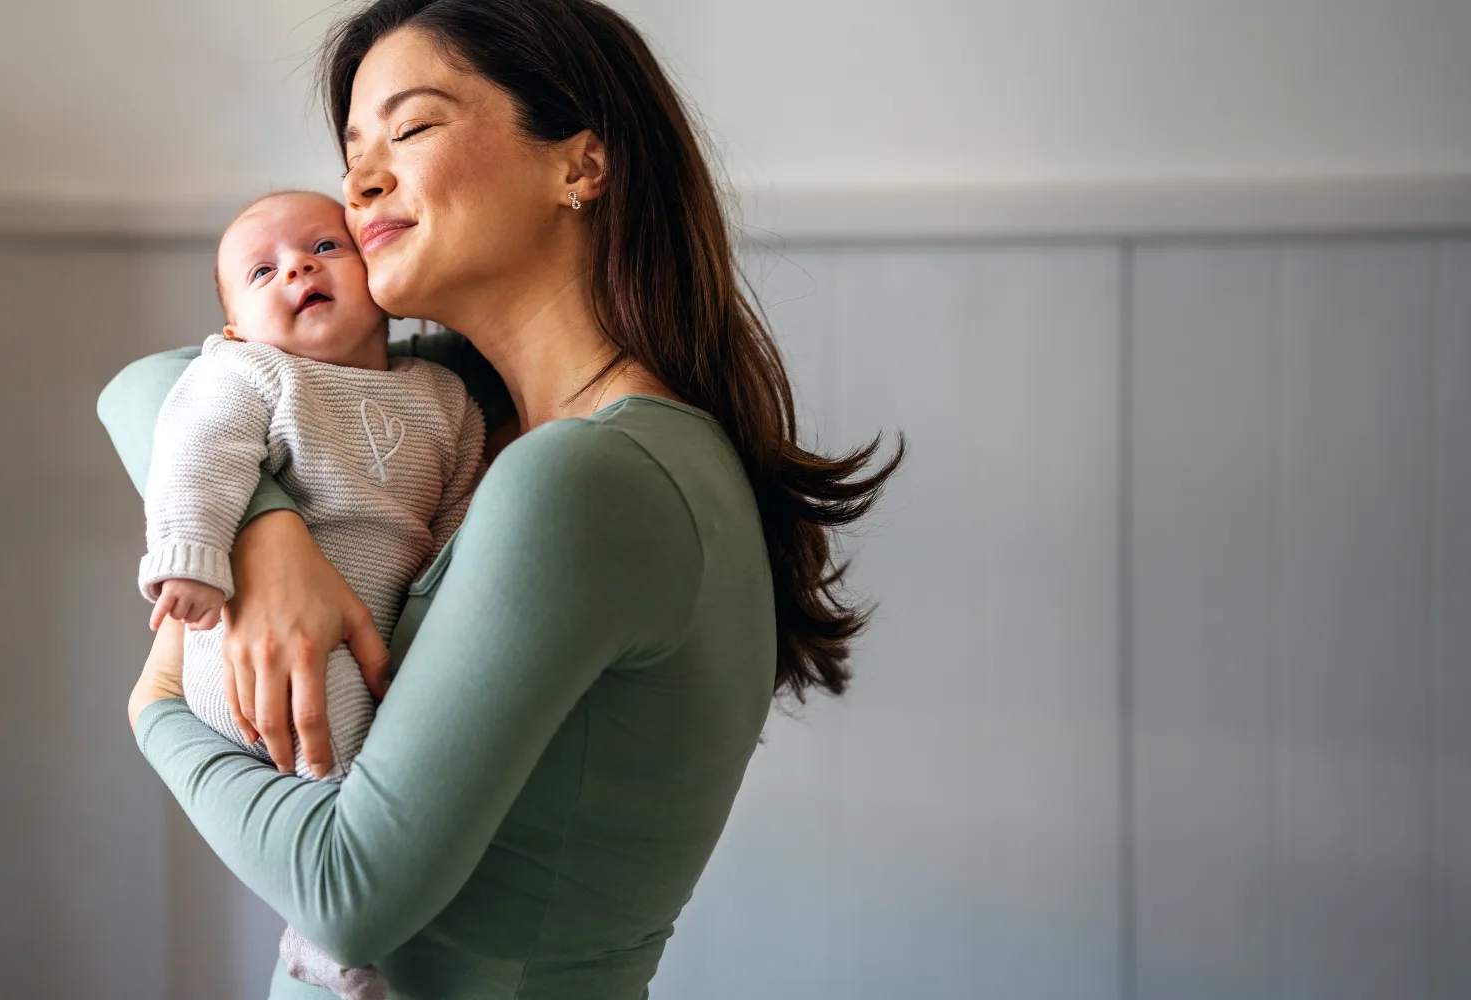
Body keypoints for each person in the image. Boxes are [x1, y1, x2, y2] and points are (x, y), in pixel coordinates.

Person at [98, 1, 902, 996]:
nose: (359, 180)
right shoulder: (468, 403)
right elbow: (148, 386)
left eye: (413, 126)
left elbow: (345, 892)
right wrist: (268, 537)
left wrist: (158, 706)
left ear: (579, 164)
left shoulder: (583, 476)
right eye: (352, 148)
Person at [140, 189, 483, 1000]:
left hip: (364, 634)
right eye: (263, 271)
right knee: (344, 756)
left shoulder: (446, 397)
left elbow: (458, 514)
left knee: (382, 747)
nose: (297, 267)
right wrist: (189, 558)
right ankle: (326, 929)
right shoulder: (249, 370)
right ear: (232, 328)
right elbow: (196, 448)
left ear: (377, 276)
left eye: (325, 248)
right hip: (247, 648)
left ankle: (321, 922)